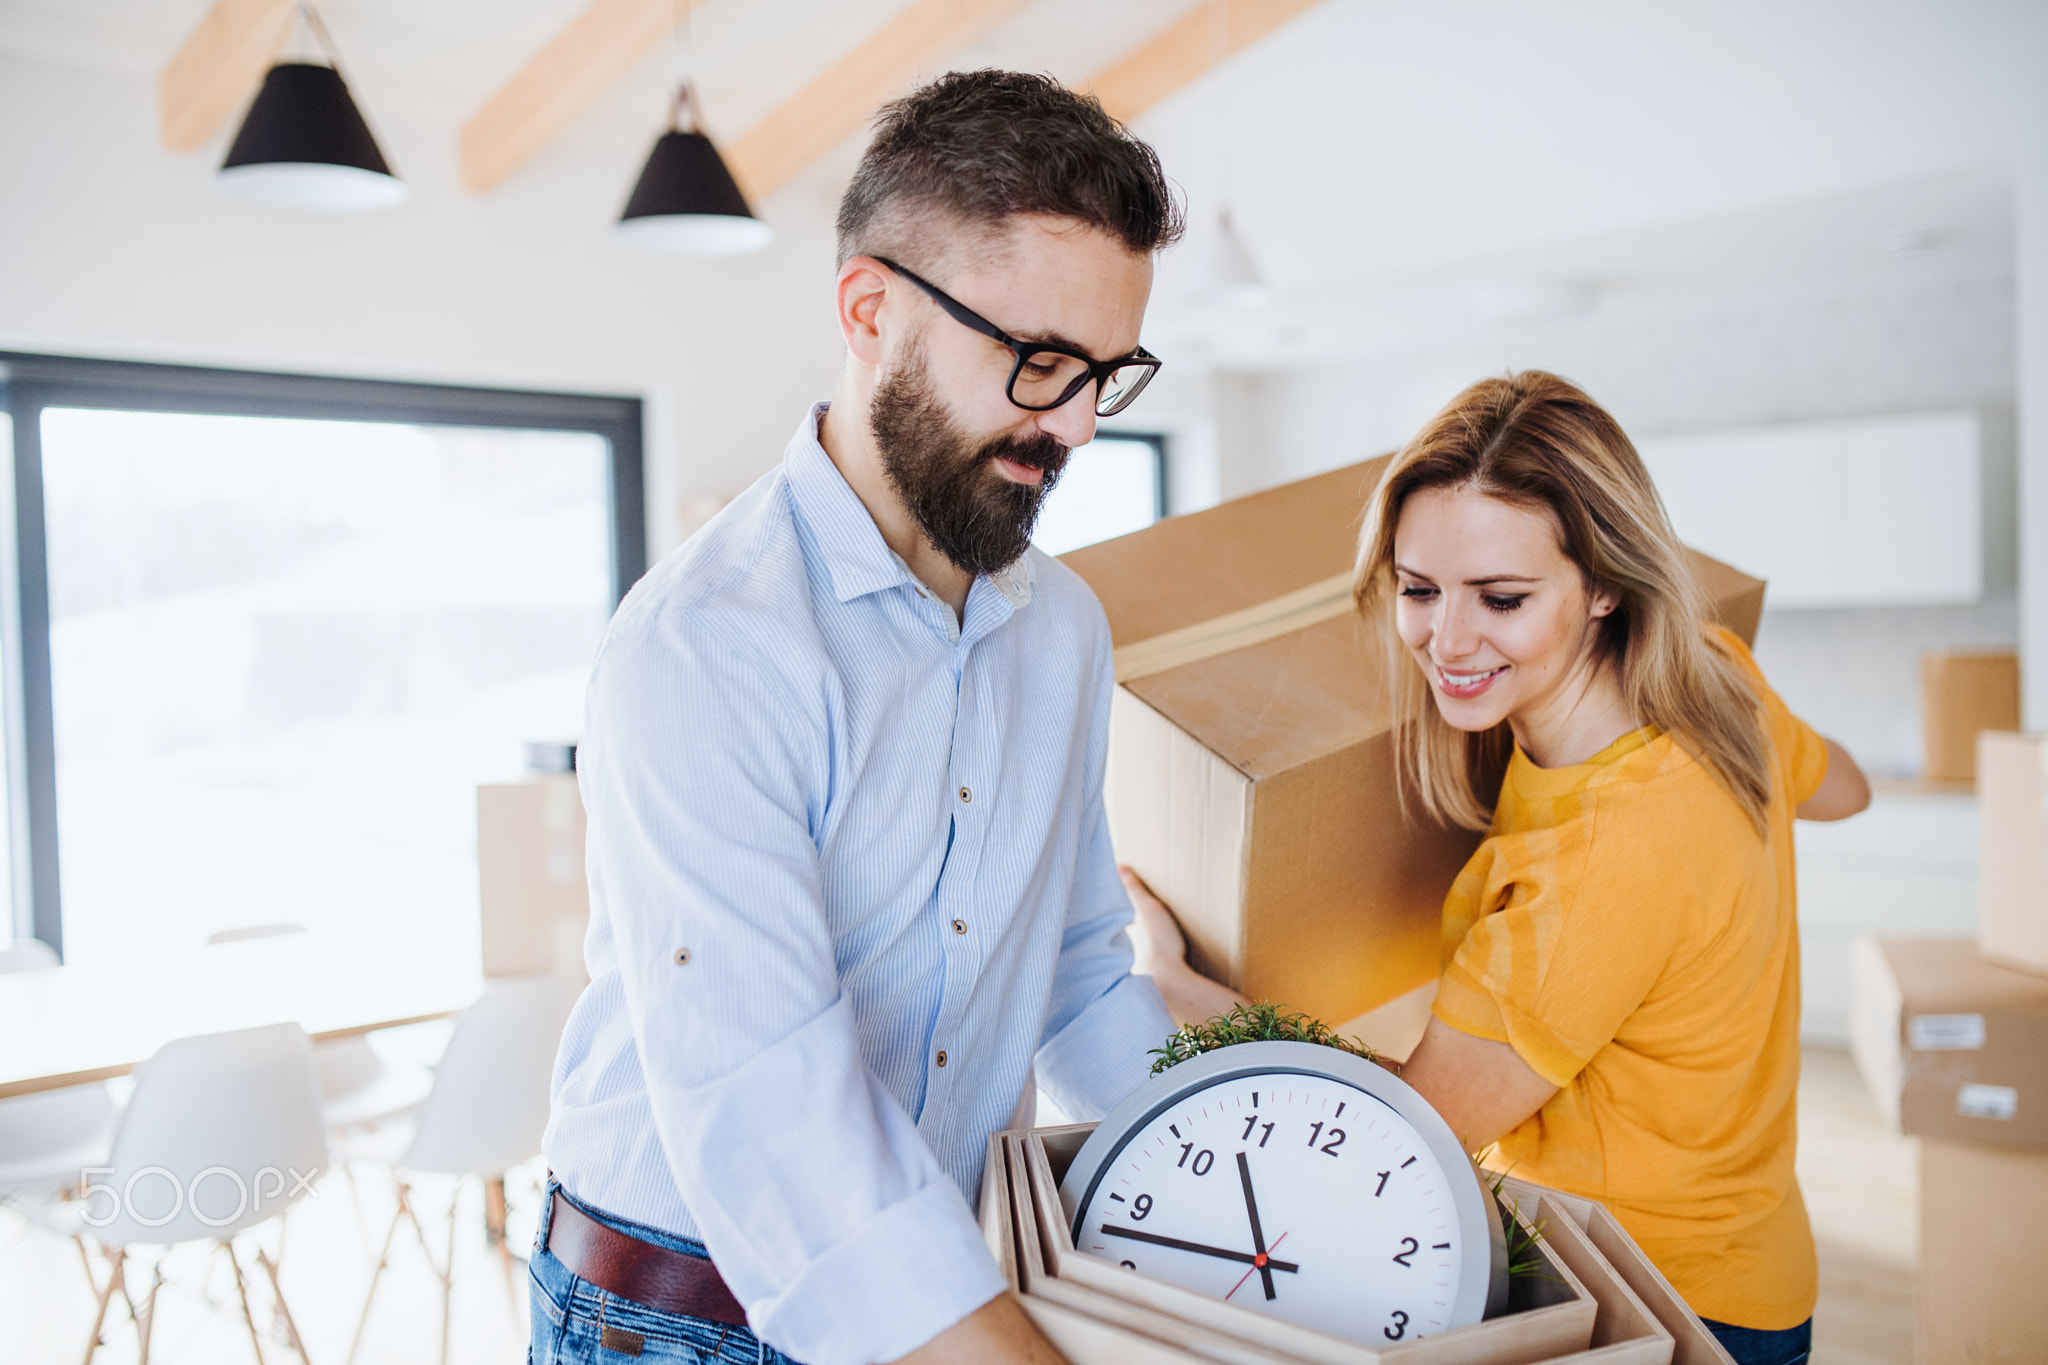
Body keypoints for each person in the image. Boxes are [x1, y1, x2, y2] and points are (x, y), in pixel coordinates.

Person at [533, 71, 1185, 1365]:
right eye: (1039, 362)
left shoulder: (1061, 630)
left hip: (939, 1269)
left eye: (1103, 375)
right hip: (669, 1311)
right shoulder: (704, 647)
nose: (1071, 428)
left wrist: (1257, 1148)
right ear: (871, 310)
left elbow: (1079, 975)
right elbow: (771, 1104)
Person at [1124, 371, 1868, 1365]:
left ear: (1605, 585)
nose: (1448, 641)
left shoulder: (1600, 863)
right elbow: (1845, 790)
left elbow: (1402, 1130)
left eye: (1503, 599)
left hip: (1652, 1304)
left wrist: (1173, 987)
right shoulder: (1718, 677)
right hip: (1748, 1254)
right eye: (1418, 591)